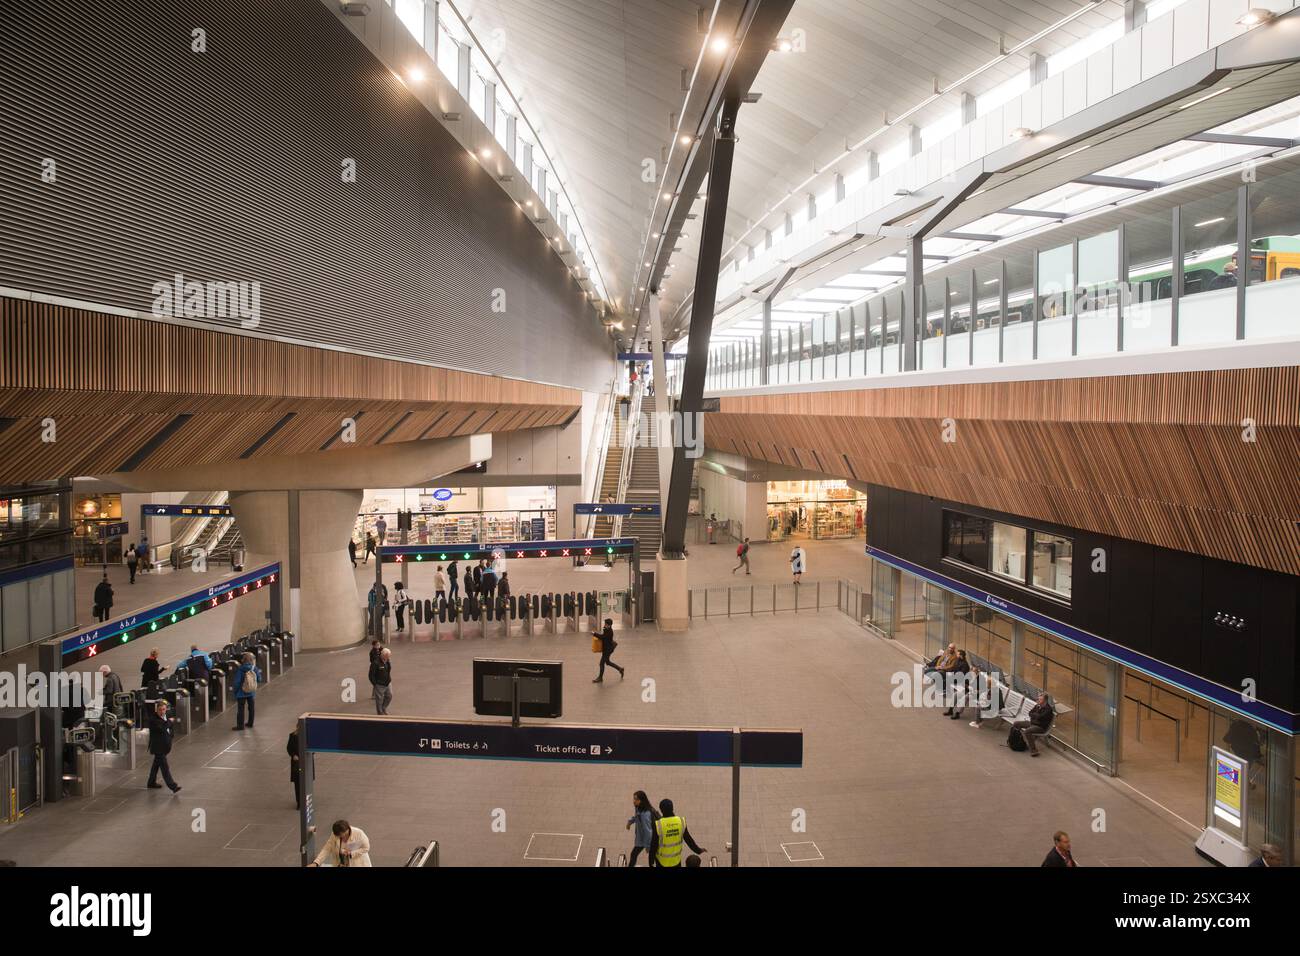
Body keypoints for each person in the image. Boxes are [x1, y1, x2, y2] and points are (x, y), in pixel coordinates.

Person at [650, 798, 706, 868]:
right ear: (672, 808)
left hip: (661, 862)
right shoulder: (681, 821)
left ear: (661, 810)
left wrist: (651, 862)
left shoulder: (658, 825)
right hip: (676, 861)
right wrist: (698, 850)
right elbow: (689, 840)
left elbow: (653, 845)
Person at [146, 700, 181, 793]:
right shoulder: (153, 719)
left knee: (156, 765)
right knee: (165, 768)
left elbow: (170, 729)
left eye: (164, 709)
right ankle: (172, 786)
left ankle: (151, 782)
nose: (162, 711)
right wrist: (169, 721)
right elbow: (162, 728)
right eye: (160, 710)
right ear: (156, 710)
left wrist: (171, 736)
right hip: (158, 748)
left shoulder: (166, 718)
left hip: (164, 747)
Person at [231, 651, 262, 731]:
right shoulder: (254, 668)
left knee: (241, 709)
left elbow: (237, 683)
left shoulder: (240, 669)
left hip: (241, 693)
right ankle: (250, 723)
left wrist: (235, 692)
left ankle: (240, 726)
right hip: (251, 692)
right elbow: (259, 679)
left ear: (243, 660)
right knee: (251, 708)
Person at [626, 790, 657, 867]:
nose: (634, 801)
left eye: (636, 799)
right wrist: (630, 822)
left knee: (635, 855)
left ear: (642, 800)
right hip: (642, 839)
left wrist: (648, 846)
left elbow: (648, 831)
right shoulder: (639, 807)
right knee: (634, 854)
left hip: (648, 840)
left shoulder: (645, 814)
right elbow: (636, 816)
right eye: (634, 798)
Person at [592, 618, 624, 683]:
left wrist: (594, 634)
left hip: (608, 650)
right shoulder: (606, 629)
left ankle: (600, 678)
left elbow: (603, 637)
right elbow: (603, 636)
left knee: (601, 663)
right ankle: (620, 669)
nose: (604, 625)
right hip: (606, 649)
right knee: (608, 662)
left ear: (609, 625)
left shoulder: (609, 632)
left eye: (606, 624)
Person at [941, 650, 971, 717]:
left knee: (960, 697)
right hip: (961, 683)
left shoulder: (965, 665)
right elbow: (953, 668)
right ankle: (950, 710)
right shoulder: (957, 661)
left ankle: (957, 713)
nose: (956, 655)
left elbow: (961, 675)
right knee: (947, 677)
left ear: (961, 656)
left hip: (962, 683)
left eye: (958, 654)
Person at [370, 647, 393, 715]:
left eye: (389, 656)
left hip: (387, 683)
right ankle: (380, 713)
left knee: (389, 696)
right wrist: (375, 684)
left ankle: (384, 708)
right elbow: (371, 675)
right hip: (379, 684)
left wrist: (388, 679)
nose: (388, 658)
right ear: (383, 655)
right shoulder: (375, 663)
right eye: (387, 656)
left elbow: (388, 670)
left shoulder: (387, 660)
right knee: (379, 700)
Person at [287, 727, 302, 809]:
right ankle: (299, 802)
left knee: (305, 783)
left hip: (305, 763)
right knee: (298, 783)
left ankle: (306, 801)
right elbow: (289, 748)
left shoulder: (308, 736)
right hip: (297, 763)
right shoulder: (292, 736)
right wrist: (293, 755)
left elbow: (313, 749)